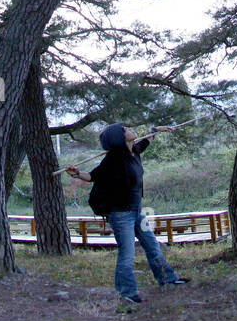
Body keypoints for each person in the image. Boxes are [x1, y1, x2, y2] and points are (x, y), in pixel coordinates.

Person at [66, 122, 189, 303]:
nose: (129, 129)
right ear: (118, 137)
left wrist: (156, 129)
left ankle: (167, 279)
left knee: (152, 246)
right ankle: (126, 293)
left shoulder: (135, 151)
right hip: (120, 214)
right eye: (124, 129)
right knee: (127, 253)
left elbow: (147, 140)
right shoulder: (114, 158)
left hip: (137, 211)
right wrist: (76, 174)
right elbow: (93, 176)